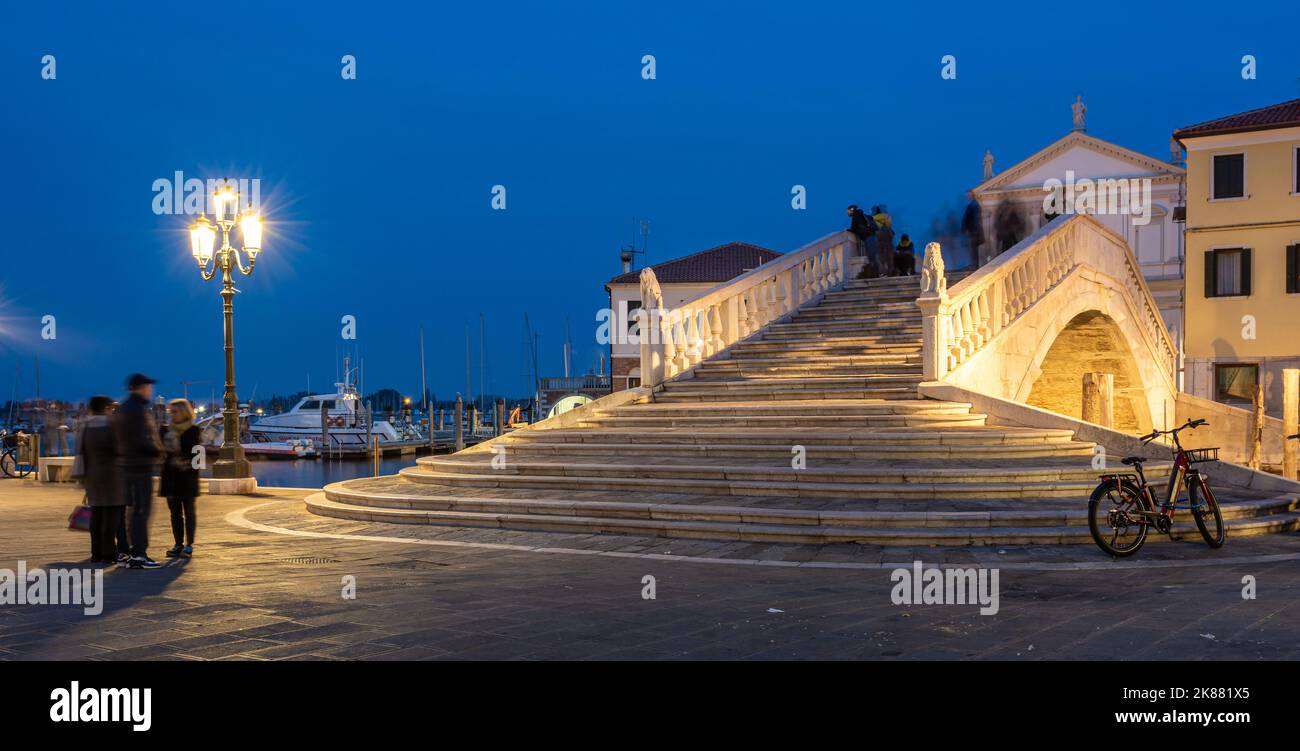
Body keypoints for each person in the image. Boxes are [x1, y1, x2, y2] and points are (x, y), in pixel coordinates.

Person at [114, 373, 163, 569]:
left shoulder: (122, 408)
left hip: (126, 465)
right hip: (139, 466)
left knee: (132, 511)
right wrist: (159, 451)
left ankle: (128, 551)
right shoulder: (137, 409)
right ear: (139, 388)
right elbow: (141, 440)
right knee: (142, 510)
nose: (150, 390)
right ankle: (139, 554)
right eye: (148, 386)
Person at [76, 396, 128, 565]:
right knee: (112, 515)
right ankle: (109, 553)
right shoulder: (112, 425)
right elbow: (121, 449)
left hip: (92, 475)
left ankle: (96, 553)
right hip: (113, 476)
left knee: (96, 515)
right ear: (106, 408)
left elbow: (81, 451)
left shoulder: (85, 425)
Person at [160, 399, 201, 558]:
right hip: (170, 476)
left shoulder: (193, 430)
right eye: (170, 411)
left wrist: (185, 461)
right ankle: (178, 543)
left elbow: (196, 454)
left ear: (184, 412)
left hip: (188, 476)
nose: (172, 415)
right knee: (174, 512)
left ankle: (189, 545)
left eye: (175, 411)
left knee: (189, 511)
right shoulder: (165, 430)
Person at [872, 206, 895, 275]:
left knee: (881, 258)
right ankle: (890, 272)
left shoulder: (873, 219)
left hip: (880, 241)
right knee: (889, 258)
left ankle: (883, 273)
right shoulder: (886, 217)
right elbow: (892, 234)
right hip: (888, 241)